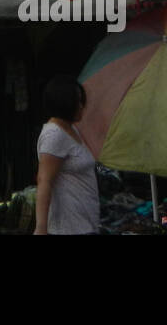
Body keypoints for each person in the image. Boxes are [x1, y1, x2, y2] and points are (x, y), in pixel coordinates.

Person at [34, 75, 100, 235]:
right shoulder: (54, 134)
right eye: (77, 101)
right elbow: (44, 181)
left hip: (85, 224)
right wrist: (41, 228)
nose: (81, 106)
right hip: (68, 228)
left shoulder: (71, 129)